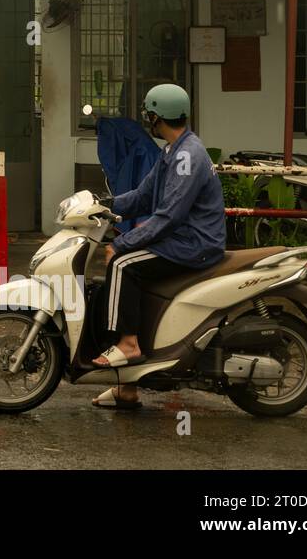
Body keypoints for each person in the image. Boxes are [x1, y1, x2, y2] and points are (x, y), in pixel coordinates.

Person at [91, 83, 226, 411]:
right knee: (119, 284)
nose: (147, 119)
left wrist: (122, 242)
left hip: (195, 243)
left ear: (156, 116)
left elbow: (168, 216)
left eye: (149, 114)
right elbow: (143, 196)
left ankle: (128, 344)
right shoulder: (172, 150)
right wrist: (104, 206)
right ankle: (127, 388)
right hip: (182, 238)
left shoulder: (186, 156)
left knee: (123, 264)